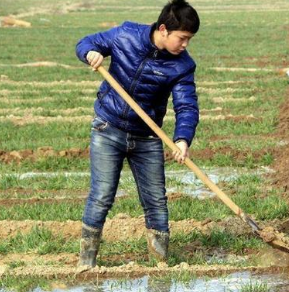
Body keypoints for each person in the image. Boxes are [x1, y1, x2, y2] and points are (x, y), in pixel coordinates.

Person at [75, 0, 200, 268]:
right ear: (164, 29)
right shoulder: (125, 35)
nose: (185, 45)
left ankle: (160, 264)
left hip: (148, 137)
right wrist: (90, 54)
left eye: (189, 39)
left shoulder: (182, 66)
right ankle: (86, 264)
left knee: (156, 201)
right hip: (108, 128)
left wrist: (182, 138)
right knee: (102, 195)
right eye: (183, 38)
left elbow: (186, 105)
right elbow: (86, 42)